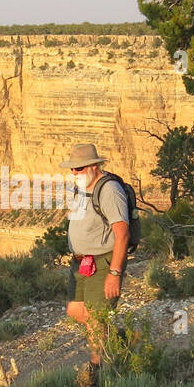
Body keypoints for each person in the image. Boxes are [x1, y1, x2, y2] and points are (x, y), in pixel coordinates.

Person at [62, 143, 129, 371]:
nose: (74, 172)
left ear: (94, 166)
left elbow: (122, 234)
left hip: (102, 262)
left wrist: (114, 273)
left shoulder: (109, 190)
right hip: (81, 263)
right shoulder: (80, 188)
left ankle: (97, 369)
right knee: (75, 310)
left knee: (95, 319)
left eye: (78, 168)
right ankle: (121, 340)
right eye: (72, 169)